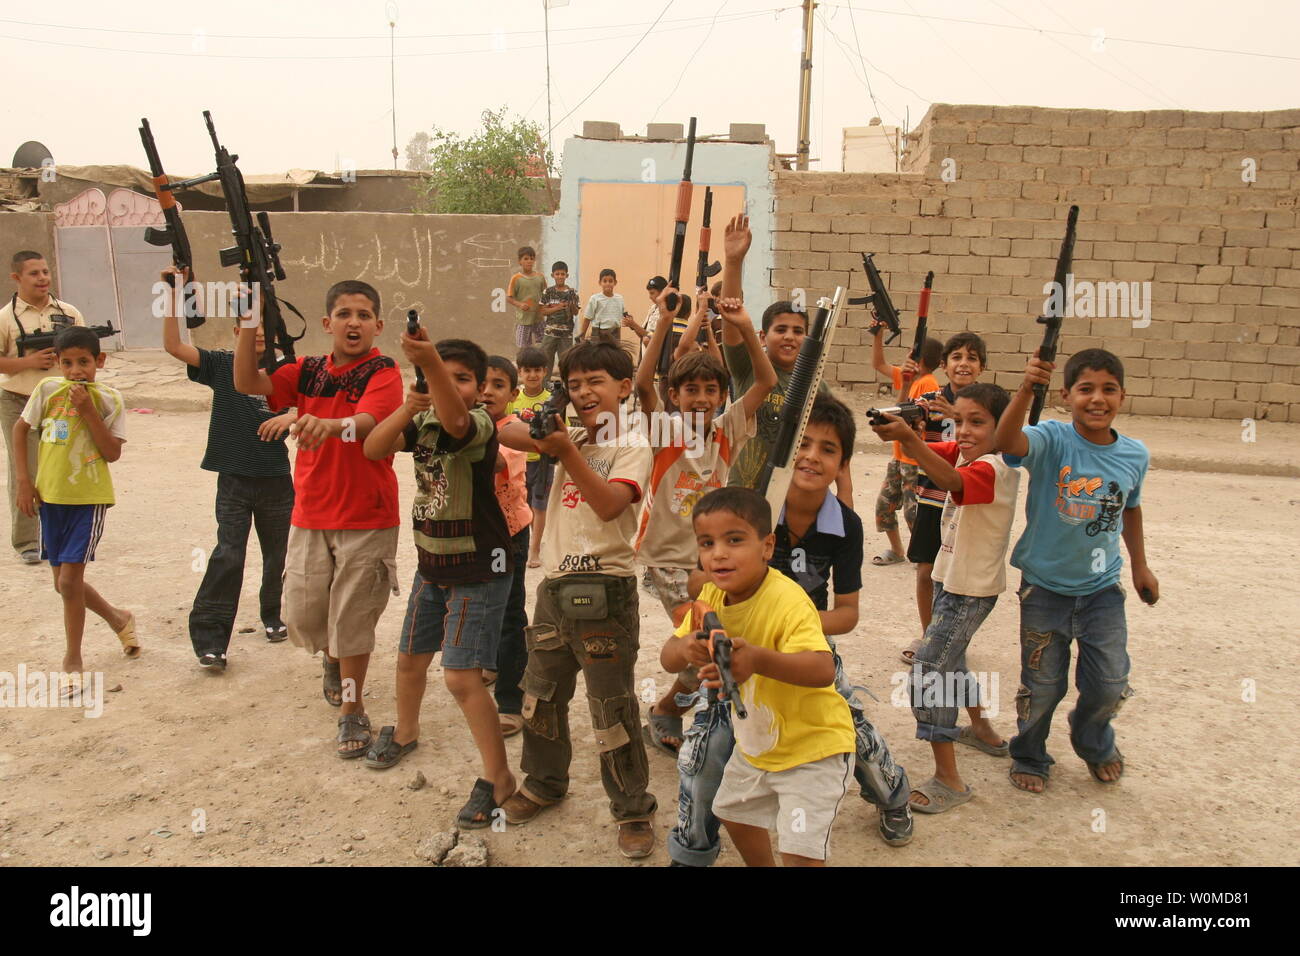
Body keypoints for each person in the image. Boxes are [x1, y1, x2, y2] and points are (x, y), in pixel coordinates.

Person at [496, 340, 658, 860]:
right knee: (539, 694)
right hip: (554, 592)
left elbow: (611, 504)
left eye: (597, 382)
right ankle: (543, 782)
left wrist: (566, 450)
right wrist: (556, 439)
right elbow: (505, 429)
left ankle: (632, 807)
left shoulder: (633, 442)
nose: (585, 392)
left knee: (611, 707)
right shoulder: (566, 435)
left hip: (606, 589)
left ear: (624, 388)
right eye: (576, 383)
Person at [233, 279, 403, 759]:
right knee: (306, 615)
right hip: (311, 512)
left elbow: (370, 423)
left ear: (377, 325)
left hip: (368, 516)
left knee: (352, 619)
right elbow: (249, 384)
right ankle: (332, 658)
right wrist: (249, 323)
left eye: (364, 315)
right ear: (328, 324)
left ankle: (352, 706)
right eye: (345, 314)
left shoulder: (384, 371)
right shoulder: (305, 369)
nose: (354, 322)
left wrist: (325, 425)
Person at [362, 335, 516, 828]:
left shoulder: (478, 426)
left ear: (480, 389)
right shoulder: (424, 420)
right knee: (409, 658)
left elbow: (455, 420)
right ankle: (405, 731)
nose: (452, 386)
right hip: (434, 567)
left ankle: (499, 777)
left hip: (478, 569)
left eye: (463, 378)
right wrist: (409, 405)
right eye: (441, 377)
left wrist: (429, 362)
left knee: (461, 677)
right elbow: (372, 448)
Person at [661, 487, 855, 867]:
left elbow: (822, 668)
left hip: (813, 750)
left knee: (800, 851)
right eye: (707, 542)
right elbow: (668, 656)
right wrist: (687, 649)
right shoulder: (712, 599)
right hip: (758, 747)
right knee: (732, 811)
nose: (718, 553)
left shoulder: (787, 599)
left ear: (767, 546)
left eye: (734, 540)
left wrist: (759, 660)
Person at [995, 348, 1160, 793]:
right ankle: (1029, 753)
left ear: (1123, 396)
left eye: (1108, 389)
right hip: (1045, 591)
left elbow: (1132, 508)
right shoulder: (1052, 440)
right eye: (1085, 389)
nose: (1097, 399)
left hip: (1102, 590)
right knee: (1042, 685)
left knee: (1109, 683)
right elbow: (1006, 442)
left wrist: (1141, 566)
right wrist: (1027, 386)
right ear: (1066, 395)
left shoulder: (1134, 455)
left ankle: (1093, 739)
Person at [632, 289, 772, 757]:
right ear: (676, 395)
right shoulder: (664, 430)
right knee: (704, 633)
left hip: (710, 557)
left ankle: (689, 705)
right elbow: (642, 387)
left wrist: (748, 328)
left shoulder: (727, 428)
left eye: (711, 390)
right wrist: (666, 325)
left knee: (722, 631)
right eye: (690, 390)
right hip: (668, 558)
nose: (701, 398)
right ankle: (670, 708)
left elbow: (766, 383)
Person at [871, 383, 1019, 813]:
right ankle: (981, 729)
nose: (965, 431)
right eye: (960, 421)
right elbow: (944, 453)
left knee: (930, 671)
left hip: (968, 591)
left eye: (978, 422)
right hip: (950, 580)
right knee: (952, 661)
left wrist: (910, 438)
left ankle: (949, 779)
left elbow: (950, 478)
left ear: (1002, 428)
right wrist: (904, 433)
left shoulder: (994, 468)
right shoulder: (970, 451)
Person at [160, 269, 297, 669]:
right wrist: (173, 295)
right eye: (247, 327)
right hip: (234, 479)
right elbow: (172, 345)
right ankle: (211, 640)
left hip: (276, 480)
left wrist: (291, 416)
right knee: (229, 555)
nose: (256, 336)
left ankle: (273, 616)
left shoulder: (286, 371)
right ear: (236, 329)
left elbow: (316, 406)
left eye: (262, 329)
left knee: (278, 556)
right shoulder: (221, 365)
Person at [14, 325, 136, 697]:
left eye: (84, 362)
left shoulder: (109, 399)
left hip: (88, 498)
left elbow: (112, 452)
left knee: (68, 583)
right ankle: (118, 618)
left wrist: (87, 411)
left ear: (99, 361)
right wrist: (24, 481)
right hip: (50, 497)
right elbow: (21, 431)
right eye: (67, 363)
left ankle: (73, 660)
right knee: (62, 584)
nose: (75, 371)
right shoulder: (47, 390)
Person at [716, 217, 851, 504]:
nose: (790, 337)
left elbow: (833, 442)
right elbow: (730, 317)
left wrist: (845, 496)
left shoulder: (817, 388)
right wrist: (733, 262)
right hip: (744, 493)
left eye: (798, 331)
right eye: (781, 330)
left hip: (793, 497)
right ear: (763, 336)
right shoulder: (747, 368)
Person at [902, 332, 989, 665]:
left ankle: (952, 637)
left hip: (966, 505)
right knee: (927, 571)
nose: (963, 364)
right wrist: (905, 387)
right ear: (944, 364)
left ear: (981, 367)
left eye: (971, 358)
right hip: (932, 499)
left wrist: (955, 414)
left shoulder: (989, 406)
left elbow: (994, 443)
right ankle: (929, 636)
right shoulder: (931, 399)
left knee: (959, 575)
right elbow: (906, 422)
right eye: (956, 357)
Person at [0, 250, 86, 564]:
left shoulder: (68, 312)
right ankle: (26, 541)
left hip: (57, 405)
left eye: (45, 272)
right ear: (17, 278)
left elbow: (86, 352)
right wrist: (28, 362)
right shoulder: (6, 317)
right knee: (26, 470)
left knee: (60, 466)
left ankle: (60, 534)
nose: (42, 279)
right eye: (34, 273)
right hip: (17, 402)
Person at [480, 354, 532, 737]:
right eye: (479, 383)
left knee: (509, 614)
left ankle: (511, 699)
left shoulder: (514, 429)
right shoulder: (465, 422)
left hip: (508, 536)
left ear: (513, 394)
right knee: (481, 605)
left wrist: (468, 428)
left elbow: (497, 463)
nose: (486, 392)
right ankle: (492, 663)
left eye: (498, 385)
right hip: (475, 534)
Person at [869, 315, 942, 566]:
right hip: (898, 458)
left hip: (913, 461)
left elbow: (908, 415)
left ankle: (925, 557)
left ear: (918, 357)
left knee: (914, 513)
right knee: (884, 505)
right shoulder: (909, 377)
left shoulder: (928, 384)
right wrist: (877, 334)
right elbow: (878, 364)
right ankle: (898, 551)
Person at [508, 348, 552, 569]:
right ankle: (523, 544)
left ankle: (535, 548)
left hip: (543, 461)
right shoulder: (513, 397)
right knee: (520, 503)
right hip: (518, 461)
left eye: (537, 370)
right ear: (520, 372)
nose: (532, 375)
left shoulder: (552, 400)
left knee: (540, 505)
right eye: (527, 370)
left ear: (545, 371)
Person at [537, 260, 579, 377]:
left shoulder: (573, 292)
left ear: (567, 275)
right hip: (550, 333)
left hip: (566, 334)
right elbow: (542, 311)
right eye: (557, 274)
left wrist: (571, 305)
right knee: (545, 361)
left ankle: (566, 388)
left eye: (562, 274)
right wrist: (558, 307)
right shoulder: (548, 292)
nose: (560, 276)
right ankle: (545, 388)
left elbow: (575, 313)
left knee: (566, 363)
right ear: (552, 275)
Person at [507, 246, 546, 350]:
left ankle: (539, 365)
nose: (529, 261)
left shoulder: (540, 277)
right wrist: (520, 304)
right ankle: (524, 366)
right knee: (524, 347)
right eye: (526, 258)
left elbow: (546, 295)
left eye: (532, 258)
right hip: (523, 319)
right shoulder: (516, 278)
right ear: (520, 261)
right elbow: (509, 298)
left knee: (542, 345)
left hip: (539, 318)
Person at [577, 268, 627, 346]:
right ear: (600, 283)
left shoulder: (619, 299)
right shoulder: (595, 299)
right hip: (598, 333)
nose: (608, 283)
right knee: (597, 356)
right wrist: (582, 335)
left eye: (610, 281)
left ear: (615, 283)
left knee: (613, 357)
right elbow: (587, 318)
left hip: (615, 333)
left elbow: (620, 319)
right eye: (605, 281)